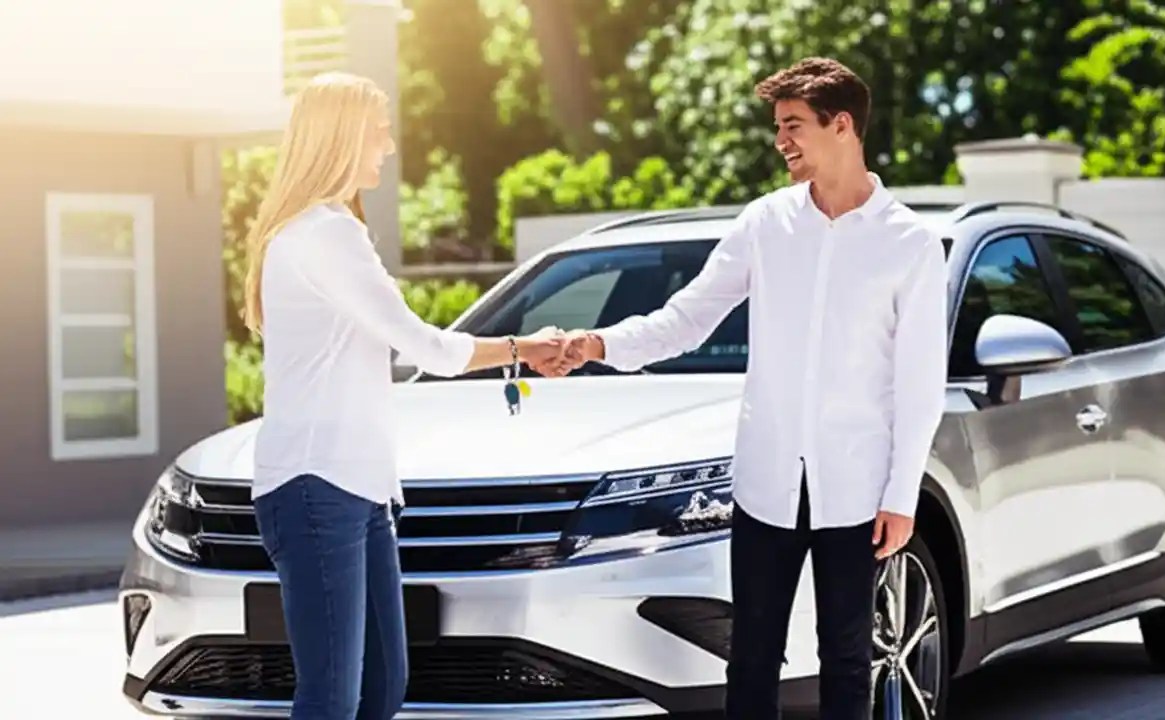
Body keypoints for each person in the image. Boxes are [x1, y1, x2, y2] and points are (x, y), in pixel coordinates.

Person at [552, 58, 948, 719]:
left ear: (841, 125)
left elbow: (919, 382)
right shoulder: (765, 224)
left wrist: (901, 494)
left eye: (793, 125)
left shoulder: (907, 243)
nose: (780, 141)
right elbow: (686, 320)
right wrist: (598, 346)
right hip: (766, 485)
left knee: (849, 655)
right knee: (753, 653)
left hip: (856, 488)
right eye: (778, 126)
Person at [240, 72, 569, 720]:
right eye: (378, 131)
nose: (387, 146)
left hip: (359, 489)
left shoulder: (324, 230)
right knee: (332, 696)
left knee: (383, 684)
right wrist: (522, 349)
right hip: (317, 486)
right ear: (341, 137)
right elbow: (427, 349)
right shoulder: (324, 235)